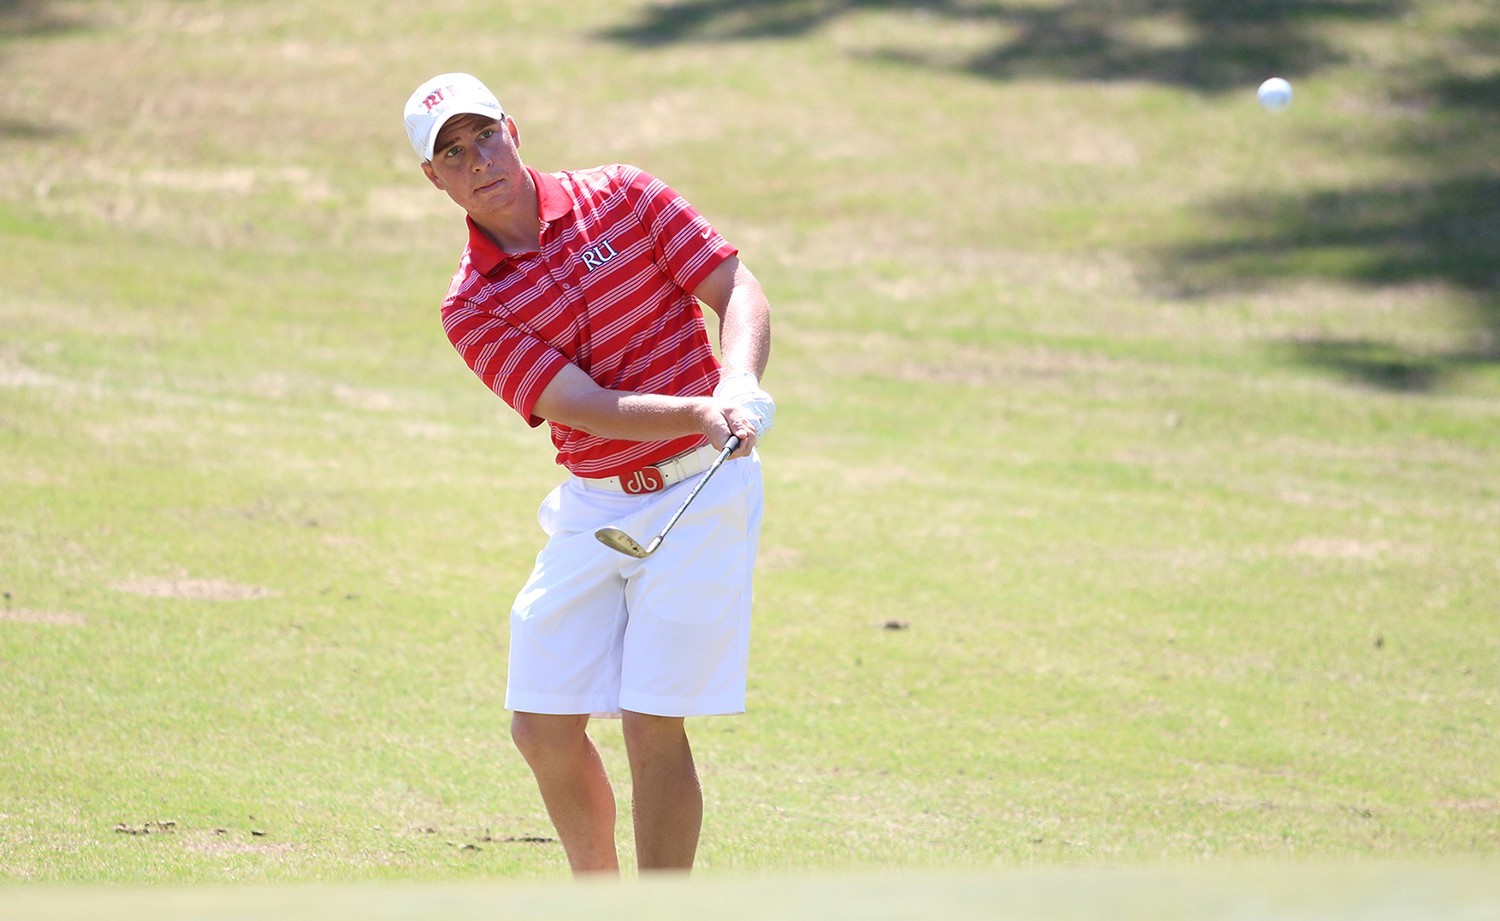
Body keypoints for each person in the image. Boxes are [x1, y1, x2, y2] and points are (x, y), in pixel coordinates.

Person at [401, 72, 775, 875]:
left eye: (484, 137)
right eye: (453, 155)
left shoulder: (625, 195)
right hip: (594, 507)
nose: (478, 162)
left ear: (514, 128)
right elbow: (582, 404)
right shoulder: (470, 303)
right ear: (433, 179)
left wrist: (737, 381)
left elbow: (735, 287)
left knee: (649, 719)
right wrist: (699, 409)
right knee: (539, 725)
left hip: (700, 490)